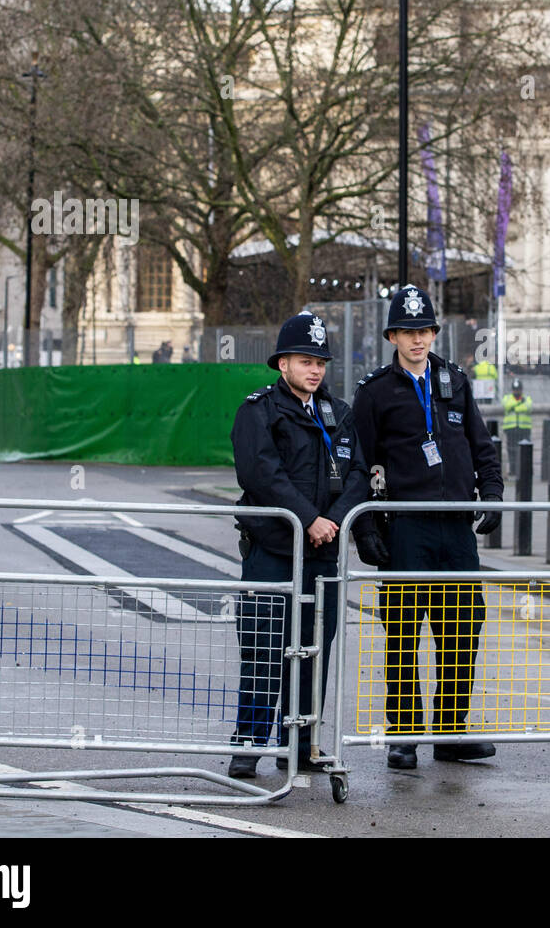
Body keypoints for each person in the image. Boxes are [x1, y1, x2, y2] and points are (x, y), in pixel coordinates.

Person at [351, 284, 503, 770]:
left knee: (461, 628)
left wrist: (494, 494)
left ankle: (451, 732)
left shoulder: (455, 380)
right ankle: (404, 734)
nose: (417, 340)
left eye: (425, 331)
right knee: (402, 631)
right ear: (392, 335)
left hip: (456, 527)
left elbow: (482, 445)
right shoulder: (375, 391)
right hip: (407, 527)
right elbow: (359, 462)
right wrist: (366, 527)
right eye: (407, 332)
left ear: (435, 333)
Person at [227, 311, 368, 778]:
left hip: (323, 555)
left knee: (313, 650)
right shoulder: (259, 410)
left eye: (321, 362)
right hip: (273, 552)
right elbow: (260, 473)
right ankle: (249, 744)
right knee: (265, 647)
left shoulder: (338, 412)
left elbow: (359, 476)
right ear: (282, 363)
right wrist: (308, 519)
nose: (315, 370)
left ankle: (303, 742)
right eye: (306, 361)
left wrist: (331, 521)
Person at [501, 378, 532, 474]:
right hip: (511, 429)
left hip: (524, 428)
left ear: (521, 389)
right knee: (512, 451)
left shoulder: (527, 398)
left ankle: (525, 470)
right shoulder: (507, 398)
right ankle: (513, 470)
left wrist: (514, 407)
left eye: (518, 389)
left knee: (525, 451)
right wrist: (519, 404)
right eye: (515, 389)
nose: (516, 391)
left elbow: (528, 407)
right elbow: (506, 406)